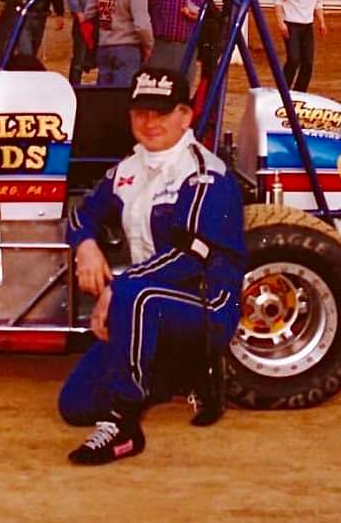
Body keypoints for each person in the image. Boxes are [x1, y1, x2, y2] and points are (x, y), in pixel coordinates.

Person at [60, 65, 246, 465]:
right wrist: (86, 246)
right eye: (140, 112)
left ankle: (124, 424)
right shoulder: (128, 169)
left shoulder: (204, 173)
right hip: (145, 306)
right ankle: (185, 375)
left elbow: (190, 256)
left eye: (162, 113)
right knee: (74, 406)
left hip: (206, 304)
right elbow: (80, 215)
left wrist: (115, 290)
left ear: (185, 116)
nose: (150, 122)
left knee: (133, 293)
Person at [274, 0, 327, 92]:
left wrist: (321, 22)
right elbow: (278, 0)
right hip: (291, 24)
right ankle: (282, 91)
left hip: (307, 24)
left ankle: (299, 93)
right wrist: (281, 22)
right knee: (293, 60)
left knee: (308, 63)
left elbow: (318, 1)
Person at [85, 0, 153, 87]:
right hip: (127, 47)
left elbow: (88, 14)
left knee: (104, 96)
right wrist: (148, 46)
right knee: (123, 95)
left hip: (104, 46)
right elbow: (142, 25)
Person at [147, 0, 202, 86]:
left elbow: (210, 14)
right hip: (160, 46)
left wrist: (199, 15)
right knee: (155, 90)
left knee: (182, 91)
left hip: (187, 48)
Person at [65, 0, 96, 85]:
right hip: (83, 19)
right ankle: (75, 88)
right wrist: (79, 14)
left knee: (103, 57)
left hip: (101, 19)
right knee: (79, 58)